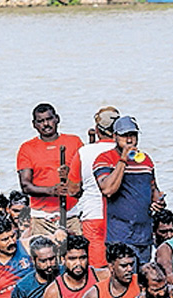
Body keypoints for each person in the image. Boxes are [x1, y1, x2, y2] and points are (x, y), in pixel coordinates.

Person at [92, 116, 164, 264]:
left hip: (144, 235)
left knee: (144, 280)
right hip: (120, 235)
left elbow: (153, 188)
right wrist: (123, 160)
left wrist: (158, 201)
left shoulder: (145, 159)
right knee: (123, 279)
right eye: (125, 136)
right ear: (114, 136)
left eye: (133, 135)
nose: (130, 140)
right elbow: (108, 189)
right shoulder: (104, 159)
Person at [17, 103, 82, 237]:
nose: (46, 124)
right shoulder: (27, 148)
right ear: (34, 124)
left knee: (76, 256)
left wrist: (70, 175)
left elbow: (85, 178)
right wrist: (52, 191)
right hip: (41, 219)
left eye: (49, 119)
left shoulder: (74, 142)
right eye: (40, 121)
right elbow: (25, 186)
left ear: (57, 119)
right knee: (43, 256)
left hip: (72, 215)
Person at [73, 106, 118, 265]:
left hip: (93, 215)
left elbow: (74, 189)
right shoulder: (128, 151)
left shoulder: (84, 152)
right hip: (121, 216)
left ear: (97, 130)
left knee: (97, 268)